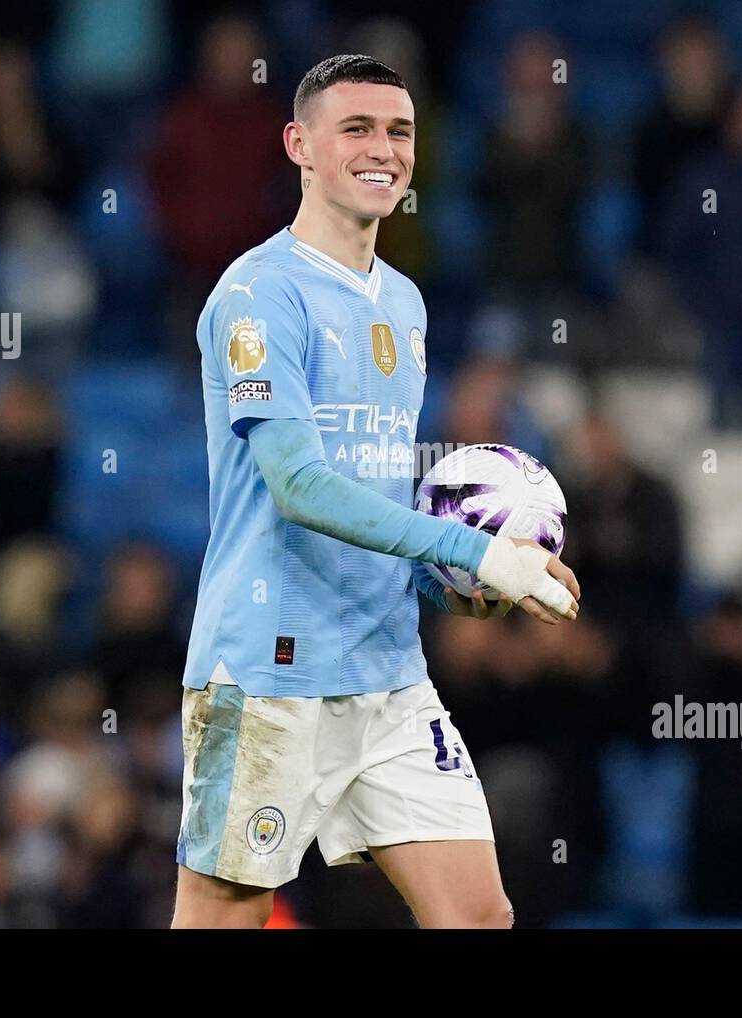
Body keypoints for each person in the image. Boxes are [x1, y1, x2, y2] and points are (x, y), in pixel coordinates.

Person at [170, 55, 580, 929]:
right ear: (299, 145)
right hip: (269, 672)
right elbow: (299, 485)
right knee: (222, 921)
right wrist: (474, 549)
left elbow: (376, 486)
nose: (382, 149)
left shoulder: (406, 302)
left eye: (399, 131)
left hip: (389, 677)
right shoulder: (258, 293)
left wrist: (455, 583)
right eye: (355, 127)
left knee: (478, 917)